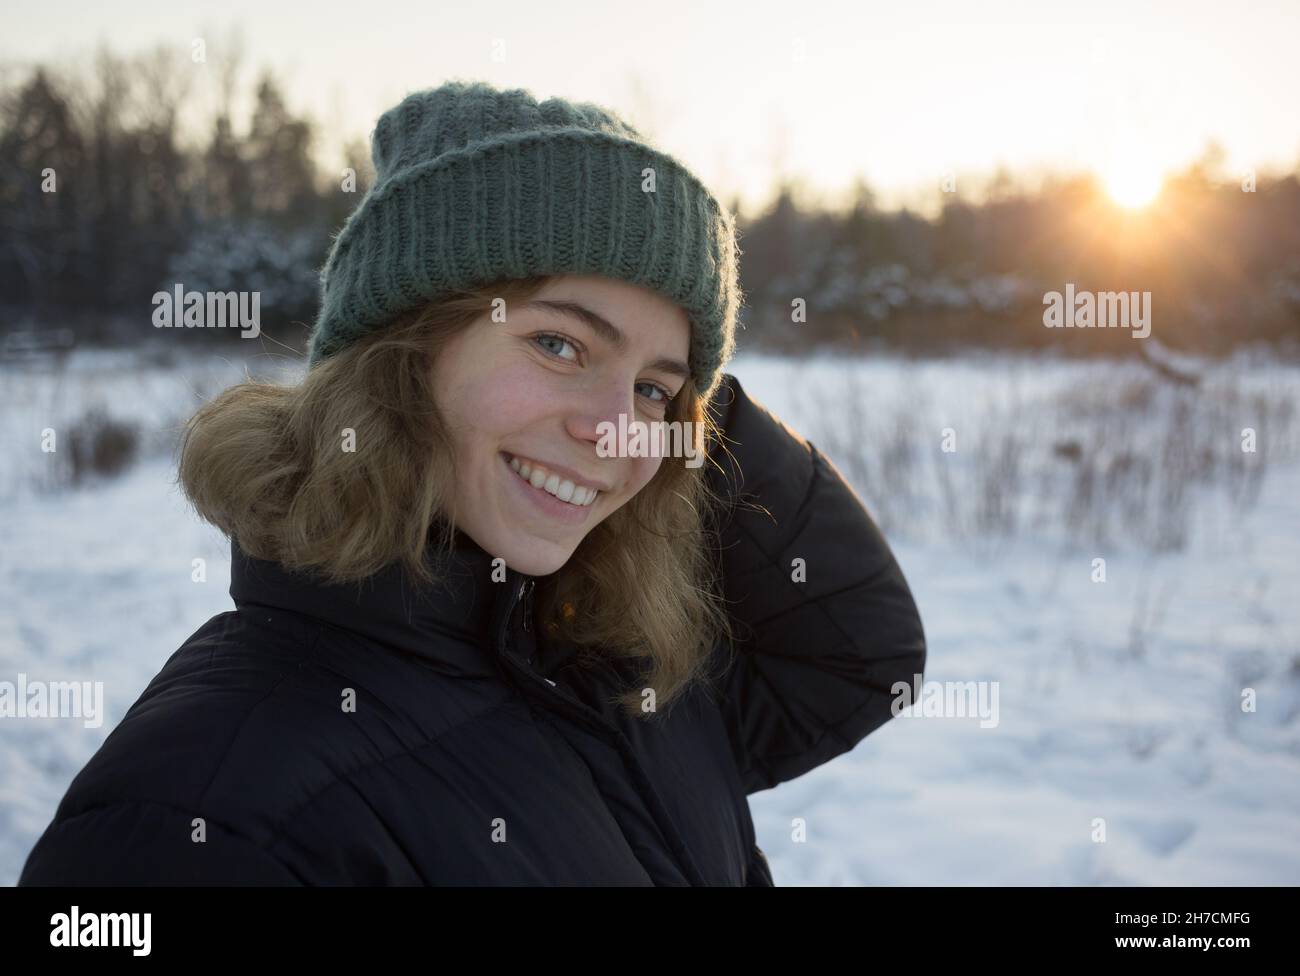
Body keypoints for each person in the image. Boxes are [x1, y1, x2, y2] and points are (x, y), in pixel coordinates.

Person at [18, 80, 926, 886]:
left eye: (656, 389)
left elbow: (859, 660)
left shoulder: (605, 658)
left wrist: (684, 397)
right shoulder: (201, 815)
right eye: (558, 343)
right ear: (399, 356)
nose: (617, 427)